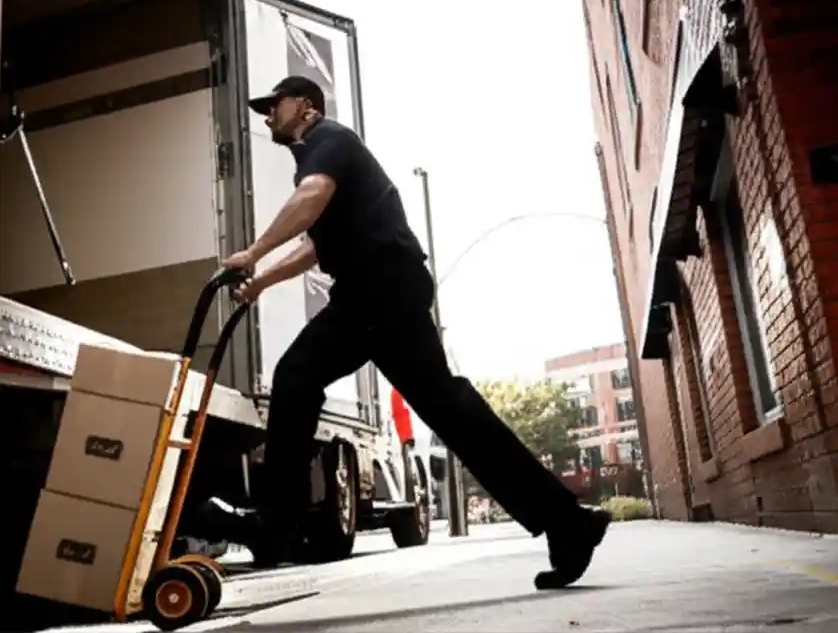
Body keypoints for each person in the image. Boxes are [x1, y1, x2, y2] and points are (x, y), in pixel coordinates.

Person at [201, 75, 610, 589]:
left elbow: (315, 192)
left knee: (299, 376)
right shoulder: (321, 157)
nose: (267, 116)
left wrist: (253, 252)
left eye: (274, 105)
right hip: (378, 291)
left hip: (380, 289)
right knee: (446, 407)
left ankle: (273, 525)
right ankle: (567, 521)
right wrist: (261, 281)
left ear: (305, 107)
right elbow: (315, 246)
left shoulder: (327, 140)